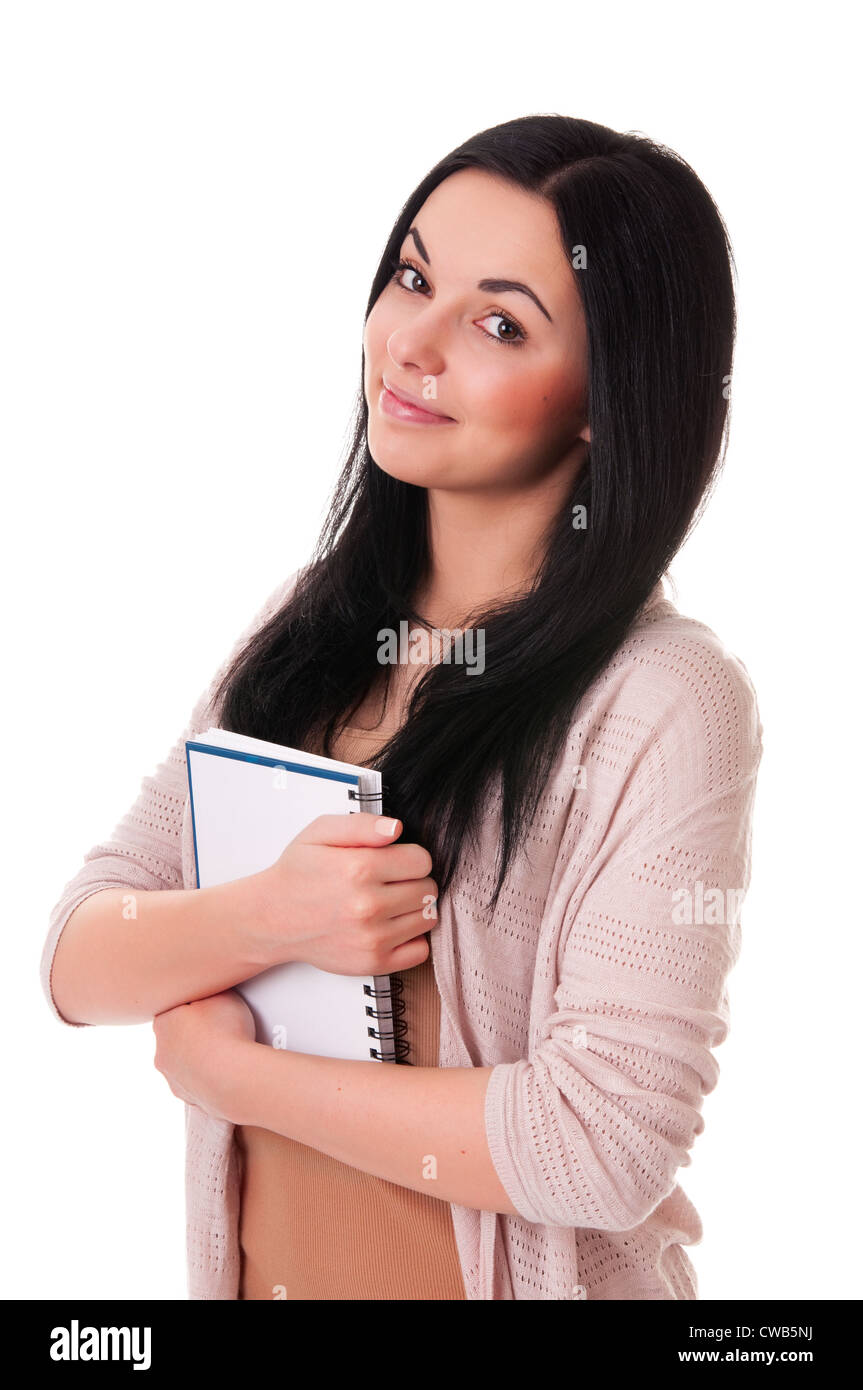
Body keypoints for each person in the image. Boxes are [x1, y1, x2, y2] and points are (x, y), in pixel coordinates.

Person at [41, 113, 763, 1301]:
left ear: (604, 396)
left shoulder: (660, 701)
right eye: (411, 276)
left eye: (496, 322)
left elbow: (602, 1141)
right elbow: (79, 955)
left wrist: (240, 1080)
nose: (408, 345)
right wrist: (272, 914)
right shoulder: (311, 633)